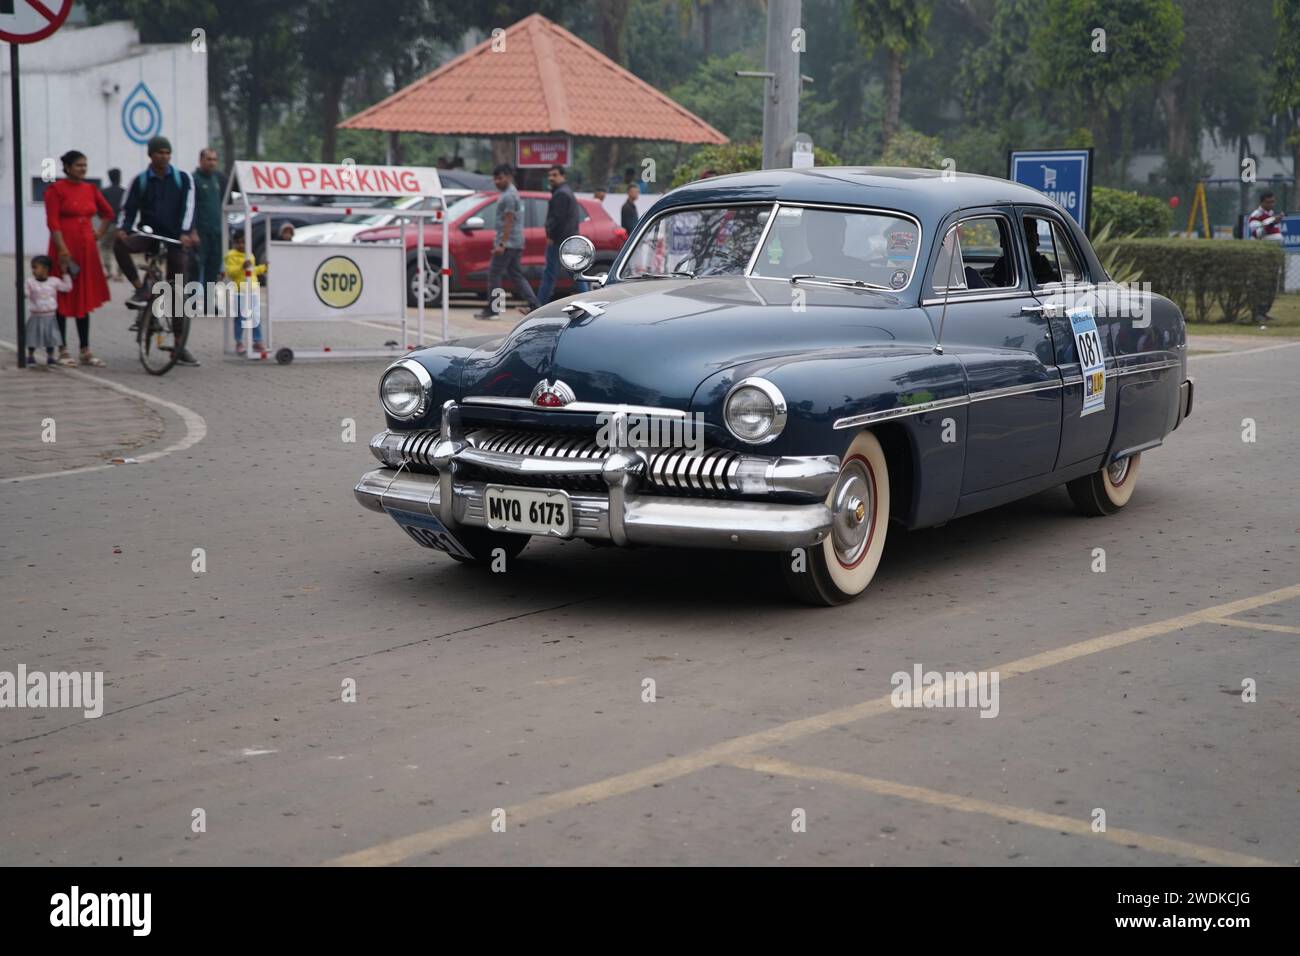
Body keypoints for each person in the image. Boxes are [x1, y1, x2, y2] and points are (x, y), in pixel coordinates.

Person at [114, 135, 201, 367]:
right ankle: (140, 288)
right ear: (150, 155)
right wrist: (123, 229)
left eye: (167, 152)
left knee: (177, 290)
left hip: (175, 238)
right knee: (119, 245)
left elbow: (189, 207)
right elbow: (127, 208)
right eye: (159, 152)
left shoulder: (183, 179)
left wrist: (185, 232)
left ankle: (179, 345)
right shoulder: (140, 181)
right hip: (148, 234)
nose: (163, 156)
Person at [44, 149, 113, 367]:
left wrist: (100, 232)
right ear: (67, 167)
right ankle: (62, 349)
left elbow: (108, 213)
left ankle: (85, 349)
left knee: (84, 299)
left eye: (85, 165)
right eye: (78, 165)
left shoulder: (90, 189)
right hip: (64, 250)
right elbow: (53, 223)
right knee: (62, 299)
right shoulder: (55, 190)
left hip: (87, 250)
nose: (82, 169)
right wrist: (62, 250)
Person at [474, 164, 540, 320]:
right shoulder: (510, 193)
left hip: (508, 243)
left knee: (494, 273)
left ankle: (494, 309)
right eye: (495, 179)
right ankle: (534, 304)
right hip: (515, 241)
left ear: (509, 177)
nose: (497, 181)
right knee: (515, 274)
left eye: (500, 178)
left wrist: (502, 244)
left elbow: (508, 220)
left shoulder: (509, 196)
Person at [538, 165, 588, 304]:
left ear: (563, 176)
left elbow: (557, 219)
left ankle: (538, 305)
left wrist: (551, 236)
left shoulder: (561, 194)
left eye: (555, 175)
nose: (551, 178)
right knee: (575, 273)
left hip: (559, 240)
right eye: (549, 175)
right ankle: (589, 300)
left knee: (550, 274)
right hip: (568, 239)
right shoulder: (565, 192)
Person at [191, 147, 226, 306]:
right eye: (209, 159)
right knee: (196, 267)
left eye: (214, 160)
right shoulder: (193, 180)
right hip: (200, 232)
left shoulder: (218, 179)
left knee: (213, 268)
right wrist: (192, 231)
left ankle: (209, 303)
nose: (212, 163)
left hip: (216, 232)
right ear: (200, 160)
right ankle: (189, 302)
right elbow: (190, 207)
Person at [225, 230, 267, 358]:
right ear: (234, 243)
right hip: (239, 291)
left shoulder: (250, 255)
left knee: (255, 317)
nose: (241, 245)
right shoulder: (231, 255)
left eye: (243, 242)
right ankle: (239, 342)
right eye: (238, 243)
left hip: (252, 290)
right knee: (240, 318)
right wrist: (241, 267)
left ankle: (257, 341)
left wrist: (263, 268)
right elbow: (231, 272)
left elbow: (252, 271)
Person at [24, 256, 73, 369]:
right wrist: (24, 292)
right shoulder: (30, 282)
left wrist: (66, 274)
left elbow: (67, 288)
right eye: (32, 268)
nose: (33, 270)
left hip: (50, 315)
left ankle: (50, 357)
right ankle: (30, 356)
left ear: (46, 269)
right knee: (33, 337)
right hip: (35, 315)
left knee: (50, 339)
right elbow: (26, 292)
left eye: (36, 267)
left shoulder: (54, 281)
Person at [98, 168, 125, 281]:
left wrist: (102, 218)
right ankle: (120, 274)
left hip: (107, 224)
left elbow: (97, 207)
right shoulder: (125, 192)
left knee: (105, 247)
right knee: (122, 249)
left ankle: (108, 271)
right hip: (121, 225)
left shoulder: (103, 192)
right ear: (119, 177)